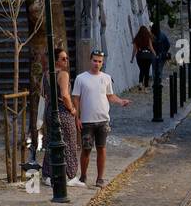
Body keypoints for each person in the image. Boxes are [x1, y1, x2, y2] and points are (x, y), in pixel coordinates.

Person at [72, 48, 131, 188]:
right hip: (86, 120)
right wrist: (77, 117)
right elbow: (76, 98)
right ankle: (83, 175)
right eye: (94, 61)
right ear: (90, 60)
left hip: (103, 120)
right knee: (86, 149)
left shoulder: (106, 78)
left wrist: (120, 101)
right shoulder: (81, 78)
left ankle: (100, 178)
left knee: (101, 148)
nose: (96, 64)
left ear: (102, 63)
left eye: (99, 61)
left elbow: (110, 96)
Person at [41, 47, 83, 187]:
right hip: (63, 112)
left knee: (51, 142)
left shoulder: (46, 74)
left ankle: (47, 174)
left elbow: (44, 95)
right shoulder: (63, 75)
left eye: (67, 58)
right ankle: (70, 175)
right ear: (56, 61)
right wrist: (72, 109)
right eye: (63, 58)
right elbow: (65, 95)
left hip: (49, 111)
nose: (66, 61)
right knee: (69, 142)